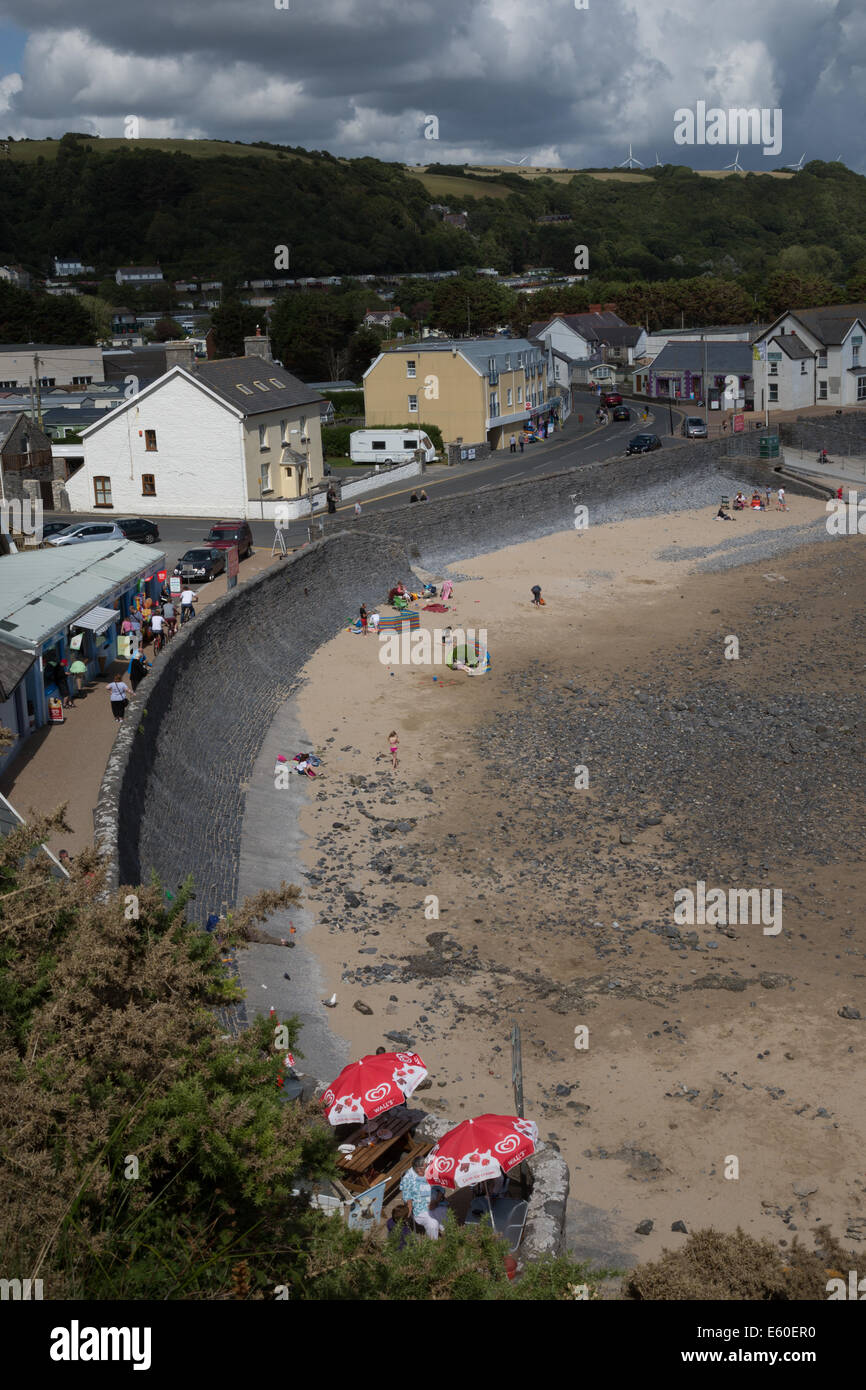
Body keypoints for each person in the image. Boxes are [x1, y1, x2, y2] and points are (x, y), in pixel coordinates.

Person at [399, 1157, 448, 1240]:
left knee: (444, 1212)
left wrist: (436, 1201)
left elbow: (440, 1188)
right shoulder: (408, 1178)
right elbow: (407, 1197)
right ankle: (434, 1243)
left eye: (424, 1169)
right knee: (433, 1223)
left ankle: (447, 1233)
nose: (423, 1172)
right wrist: (409, 1207)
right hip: (420, 1209)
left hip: (435, 1202)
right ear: (415, 1169)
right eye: (420, 1170)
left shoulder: (431, 1171)